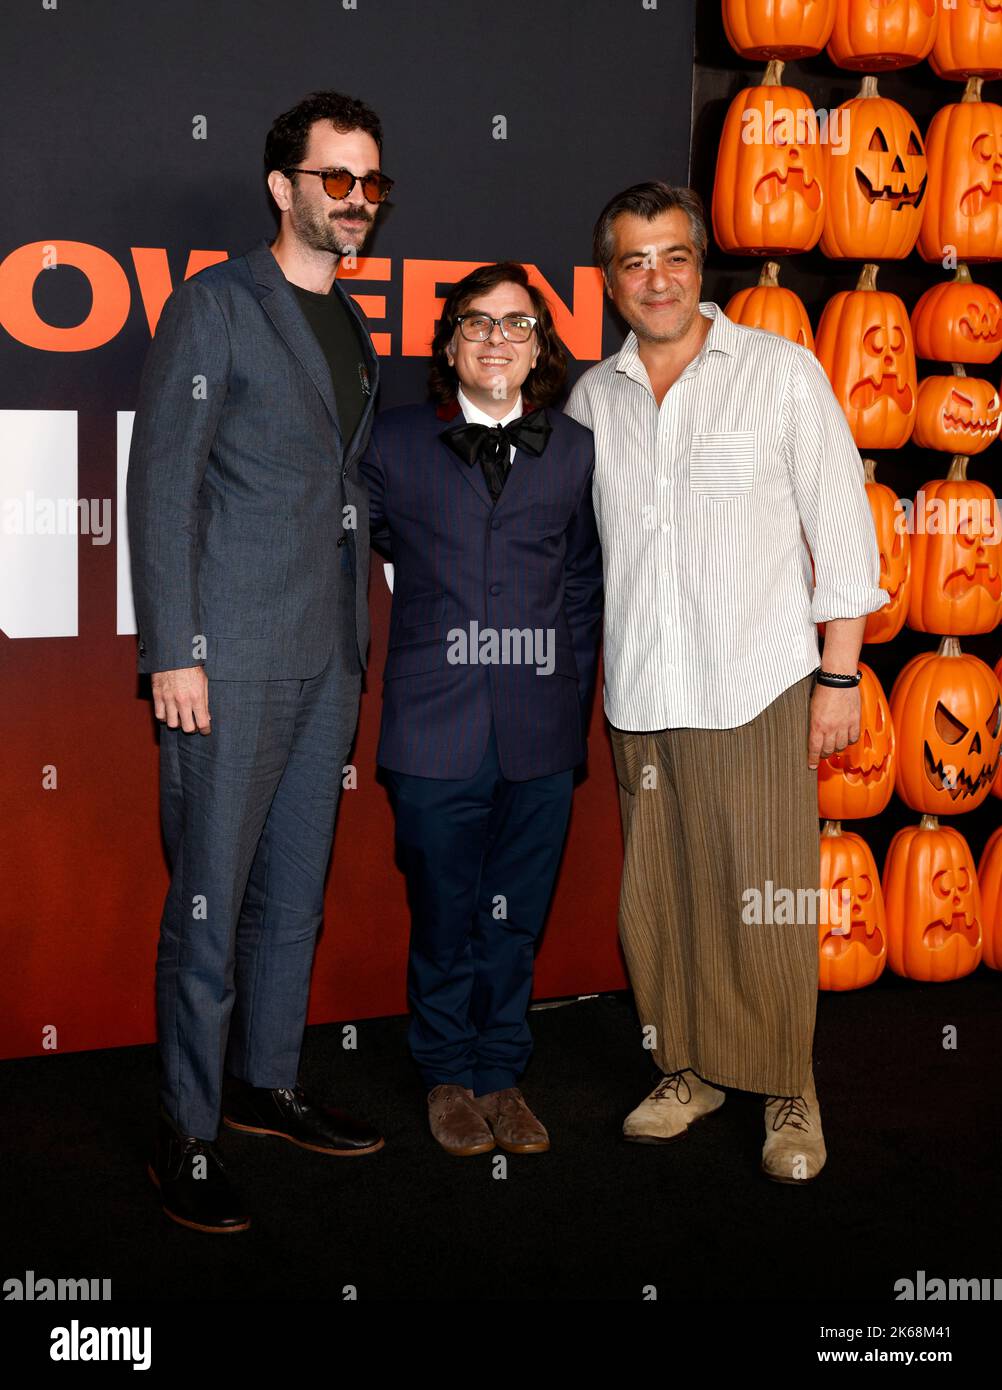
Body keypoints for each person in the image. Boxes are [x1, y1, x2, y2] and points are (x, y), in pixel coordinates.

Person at [565, 182, 887, 1183]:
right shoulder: (591, 397)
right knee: (658, 894)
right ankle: (686, 1067)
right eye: (634, 261)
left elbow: (843, 535)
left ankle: (790, 1083)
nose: (656, 278)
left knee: (767, 893)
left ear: (704, 266)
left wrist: (840, 676)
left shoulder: (783, 374)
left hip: (759, 678)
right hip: (645, 690)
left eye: (674, 256)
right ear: (611, 280)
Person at [127, 91, 389, 1233]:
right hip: (224, 658)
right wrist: (174, 652)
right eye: (337, 178)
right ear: (284, 187)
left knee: (291, 900)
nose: (358, 200)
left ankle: (265, 1084)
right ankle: (183, 1133)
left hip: (328, 656)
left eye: (372, 181)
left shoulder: (355, 328)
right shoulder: (215, 306)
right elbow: (162, 484)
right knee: (208, 905)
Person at [359, 262, 603, 1156]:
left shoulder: (576, 450)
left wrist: (568, 708)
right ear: (449, 342)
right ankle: (446, 1075)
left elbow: (583, 585)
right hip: (431, 725)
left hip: (541, 729)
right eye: (476, 323)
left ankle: (503, 1072)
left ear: (540, 343)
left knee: (516, 914)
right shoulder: (390, 443)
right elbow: (355, 551)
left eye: (516, 324)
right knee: (444, 910)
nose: (496, 339)